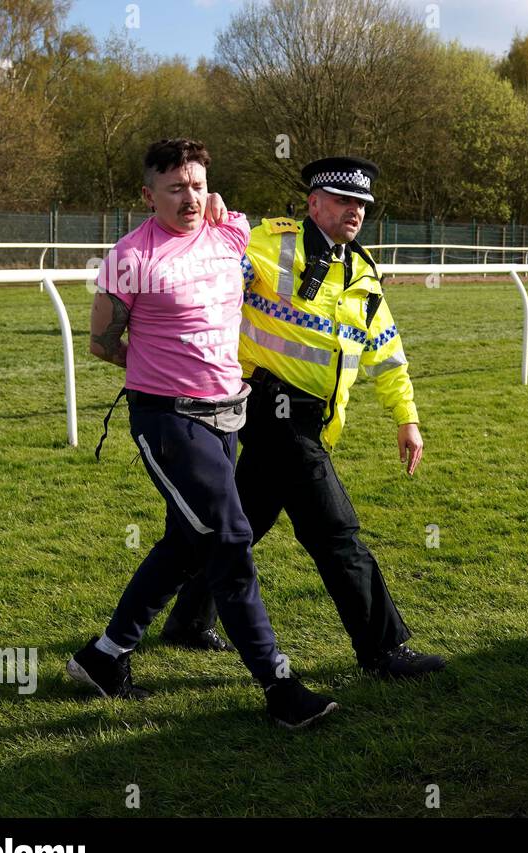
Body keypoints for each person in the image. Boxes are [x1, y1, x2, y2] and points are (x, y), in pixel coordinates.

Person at [69, 137, 338, 729]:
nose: (189, 198)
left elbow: (247, 224)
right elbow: (101, 343)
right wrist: (156, 369)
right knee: (229, 539)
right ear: (149, 195)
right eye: (175, 189)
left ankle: (105, 656)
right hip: (167, 420)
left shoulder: (229, 231)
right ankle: (279, 686)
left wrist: (221, 206)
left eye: (197, 185)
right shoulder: (130, 257)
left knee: (185, 541)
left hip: (228, 416)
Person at [160, 155, 446, 680]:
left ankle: (186, 620)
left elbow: (386, 351)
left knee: (237, 527)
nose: (354, 211)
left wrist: (406, 417)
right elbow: (207, 269)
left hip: (313, 423)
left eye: (361, 204)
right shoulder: (271, 243)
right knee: (337, 534)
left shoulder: (362, 270)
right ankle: (383, 651)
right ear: (313, 203)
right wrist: (209, 218)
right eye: (342, 200)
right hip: (274, 413)